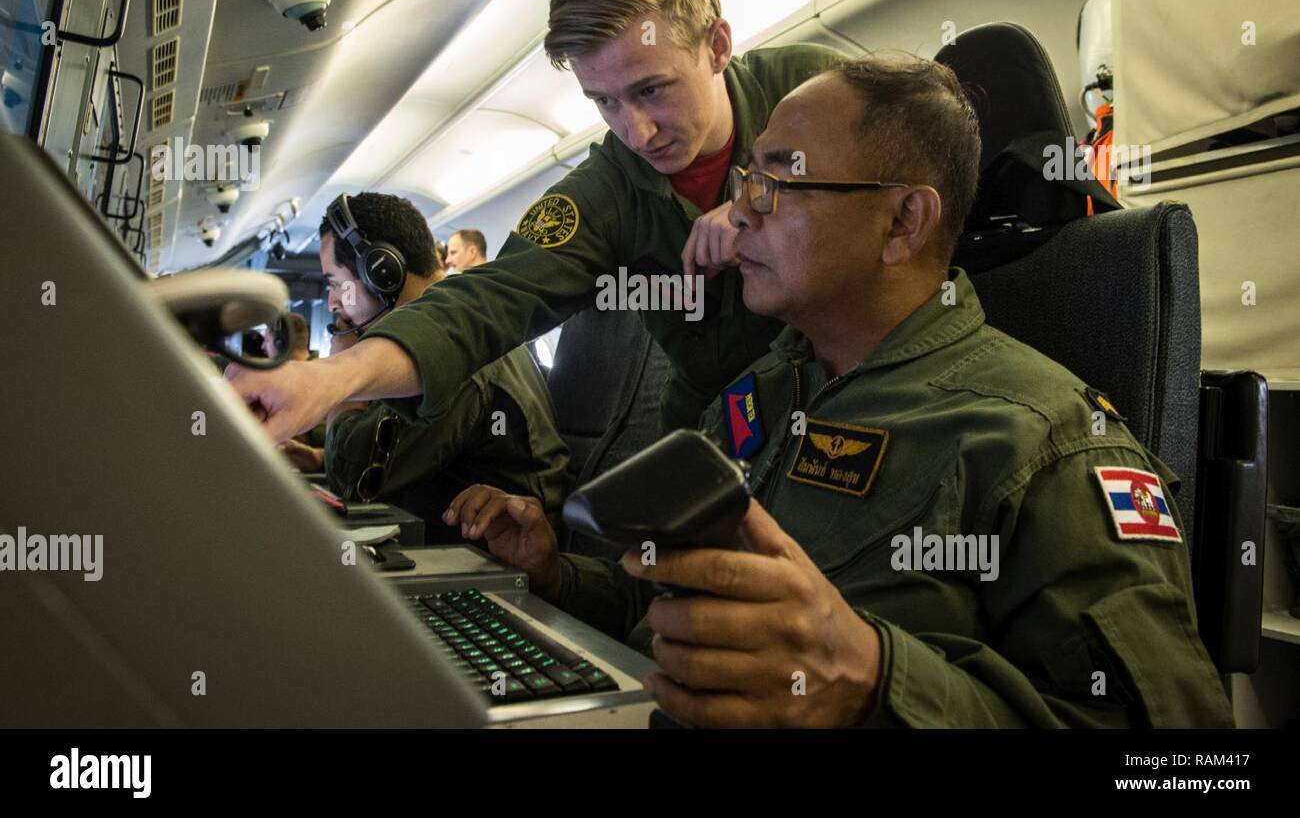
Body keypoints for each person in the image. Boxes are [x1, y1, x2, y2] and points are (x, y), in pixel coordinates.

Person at [441, 54, 1235, 728]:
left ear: (904, 223)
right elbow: (688, 607)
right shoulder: (764, 389)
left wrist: (875, 680)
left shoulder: (1042, 441)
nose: (740, 212)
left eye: (780, 182)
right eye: (747, 177)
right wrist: (554, 573)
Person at [225, 0, 848, 442]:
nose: (635, 131)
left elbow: (931, 177)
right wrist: (330, 380)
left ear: (716, 45)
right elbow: (487, 302)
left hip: (861, 389)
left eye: (651, 90)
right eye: (602, 102)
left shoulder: (818, 93)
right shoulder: (604, 192)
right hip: (722, 424)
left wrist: (766, 201)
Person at [277, 193, 571, 538]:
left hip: (497, 571)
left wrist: (344, 375)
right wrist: (319, 457)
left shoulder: (452, 346)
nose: (331, 301)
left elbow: (352, 482)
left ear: (380, 271)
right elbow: (385, 451)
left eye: (335, 283)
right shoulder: (445, 330)